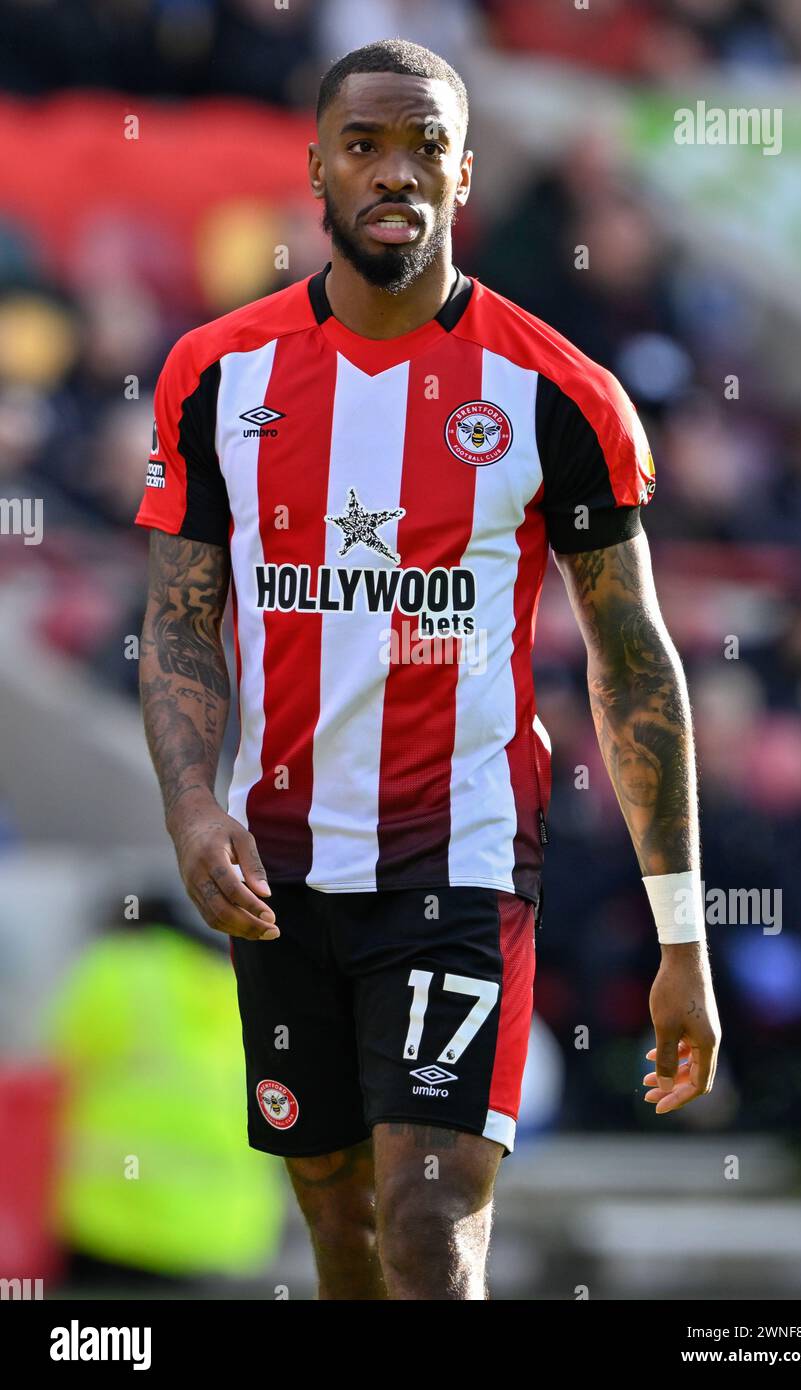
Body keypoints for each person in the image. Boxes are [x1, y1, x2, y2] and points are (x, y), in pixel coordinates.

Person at [135, 37, 721, 1300]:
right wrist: (191, 804)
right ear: (317, 172)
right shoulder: (214, 375)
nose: (394, 171)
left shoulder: (556, 392)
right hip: (279, 868)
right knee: (342, 1230)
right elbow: (181, 621)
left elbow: (632, 661)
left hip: (456, 861)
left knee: (424, 1223)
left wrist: (683, 933)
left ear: (463, 178)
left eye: (425, 147)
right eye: (365, 145)